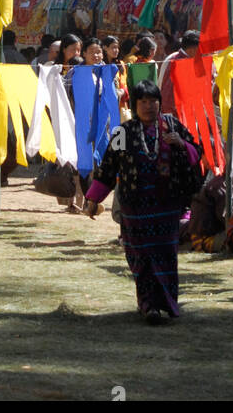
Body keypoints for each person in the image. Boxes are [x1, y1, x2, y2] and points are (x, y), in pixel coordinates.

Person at [84, 81, 202, 322]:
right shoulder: (122, 132)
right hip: (134, 208)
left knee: (165, 255)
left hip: (166, 206)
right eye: (143, 102)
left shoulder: (173, 126)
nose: (149, 106)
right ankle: (148, 306)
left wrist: (180, 144)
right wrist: (93, 199)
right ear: (135, 105)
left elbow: (195, 152)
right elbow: (108, 167)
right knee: (141, 257)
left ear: (160, 102)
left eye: (153, 101)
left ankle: (166, 303)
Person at [158, 29, 201, 116]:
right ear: (193, 49)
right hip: (174, 115)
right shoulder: (181, 63)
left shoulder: (173, 56)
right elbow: (169, 96)